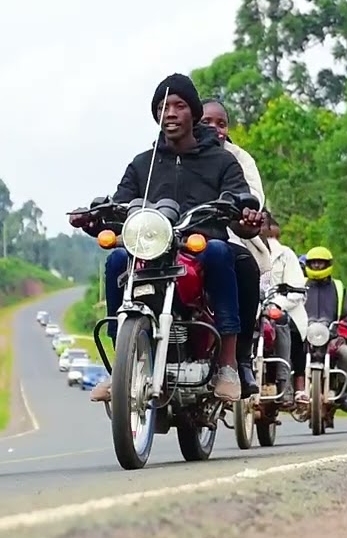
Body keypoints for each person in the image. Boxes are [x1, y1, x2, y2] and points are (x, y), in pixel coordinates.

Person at [69, 73, 263, 404]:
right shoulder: (142, 163)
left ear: (194, 114)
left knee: (221, 252)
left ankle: (229, 363)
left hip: (197, 249)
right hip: (152, 251)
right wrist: (94, 220)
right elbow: (122, 203)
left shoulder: (222, 160)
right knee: (117, 258)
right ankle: (120, 367)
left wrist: (243, 212)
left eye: (179, 105)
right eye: (163, 106)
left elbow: (240, 197)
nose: (170, 112)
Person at [199, 98, 267, 397]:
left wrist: (241, 211)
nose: (215, 129)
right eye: (207, 122)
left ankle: (240, 357)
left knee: (243, 264)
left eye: (221, 123)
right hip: (174, 237)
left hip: (229, 233)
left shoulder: (238, 158)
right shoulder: (171, 153)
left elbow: (253, 198)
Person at [301, 245, 347, 413]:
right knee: (289, 352)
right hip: (306, 337)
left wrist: (342, 335)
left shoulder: (339, 287)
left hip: (333, 336)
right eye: (314, 263)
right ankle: (293, 390)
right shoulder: (300, 285)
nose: (317, 267)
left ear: (328, 264)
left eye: (321, 263)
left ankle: (344, 391)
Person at [257, 212, 307, 408]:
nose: (257, 229)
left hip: (281, 308)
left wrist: (276, 304)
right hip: (253, 307)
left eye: (261, 225)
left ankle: (286, 385)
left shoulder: (285, 255)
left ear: (269, 229)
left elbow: (297, 290)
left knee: (282, 322)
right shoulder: (243, 251)